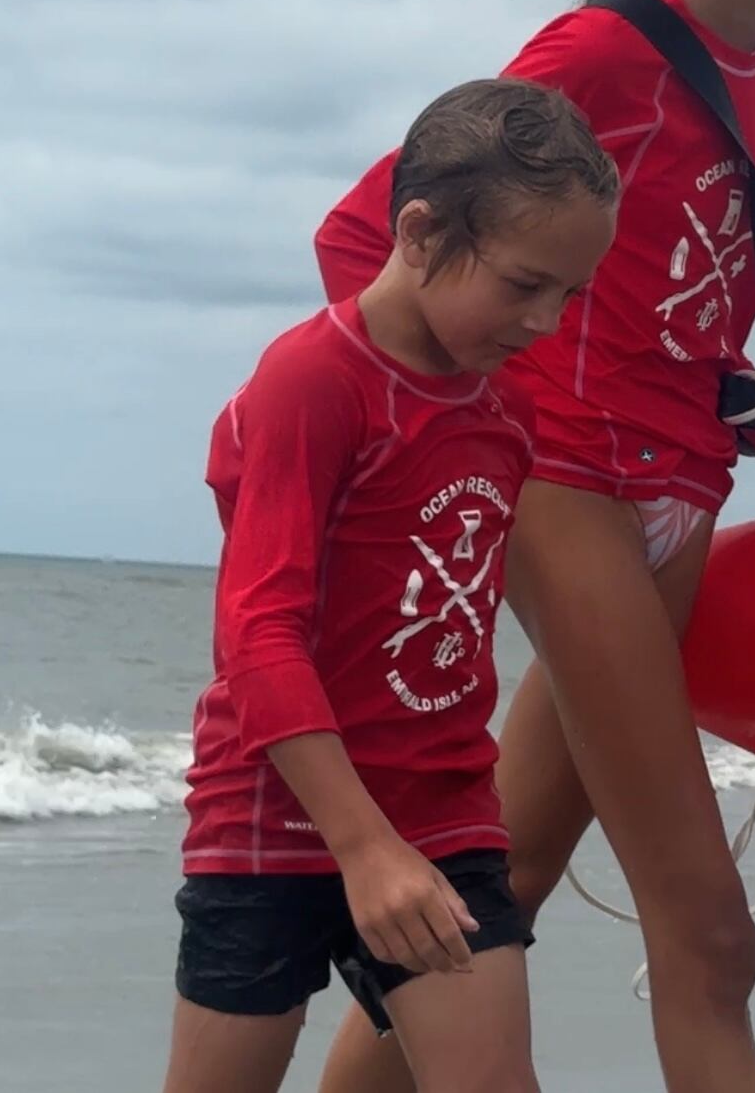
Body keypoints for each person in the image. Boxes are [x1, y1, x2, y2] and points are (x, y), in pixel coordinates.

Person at [312, 0, 755, 1091]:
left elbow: (689, 324)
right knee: (712, 935)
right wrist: (454, 431)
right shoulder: (602, 50)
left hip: (683, 488)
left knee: (494, 885)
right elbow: (368, 232)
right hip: (563, 476)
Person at [161, 79, 618, 1093]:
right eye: (522, 283)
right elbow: (258, 632)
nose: (544, 321)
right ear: (417, 233)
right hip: (273, 820)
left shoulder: (505, 412)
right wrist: (361, 847)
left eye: (570, 295)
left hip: (443, 818)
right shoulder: (311, 380)